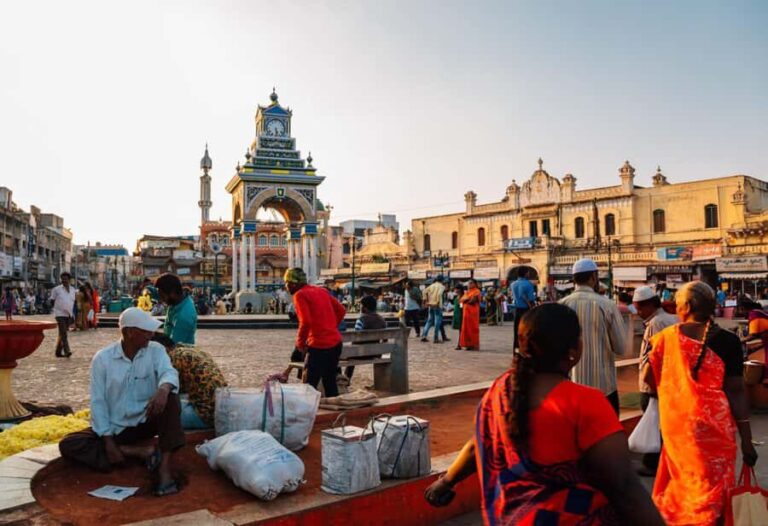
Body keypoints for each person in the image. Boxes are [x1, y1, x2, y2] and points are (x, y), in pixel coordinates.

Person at [425, 303, 664, 526]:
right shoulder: (586, 402)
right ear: (575, 349)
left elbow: (478, 445)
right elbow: (624, 488)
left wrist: (446, 481)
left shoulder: (500, 389)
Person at [644, 281, 757, 525]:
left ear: (686, 306)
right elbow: (736, 391)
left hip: (678, 431)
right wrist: (747, 441)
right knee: (713, 497)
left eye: (676, 303)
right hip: (716, 433)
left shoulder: (664, 339)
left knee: (681, 492)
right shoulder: (728, 341)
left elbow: (648, 379)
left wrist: (676, 391)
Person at [58, 308, 184, 497]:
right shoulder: (103, 359)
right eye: (146, 331)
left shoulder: (156, 350)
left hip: (147, 419)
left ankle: (164, 469)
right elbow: (98, 402)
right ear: (129, 332)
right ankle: (135, 452)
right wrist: (109, 442)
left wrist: (163, 389)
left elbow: (169, 372)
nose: (151, 335)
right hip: (117, 428)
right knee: (69, 444)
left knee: (172, 399)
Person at [559, 258, 627, 415]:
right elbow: (621, 347)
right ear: (593, 277)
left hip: (571, 385)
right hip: (603, 387)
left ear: (574, 279)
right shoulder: (607, 305)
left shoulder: (562, 304)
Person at [632, 285, 678, 476]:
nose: (639, 312)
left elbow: (654, 357)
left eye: (641, 308)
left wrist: (651, 384)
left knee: (656, 425)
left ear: (650, 305)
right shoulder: (669, 319)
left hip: (655, 383)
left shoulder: (657, 323)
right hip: (667, 381)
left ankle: (653, 464)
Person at [285, 267, 346, 397]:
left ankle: (307, 414)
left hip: (319, 345)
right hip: (335, 343)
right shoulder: (321, 291)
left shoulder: (300, 295)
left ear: (294, 284)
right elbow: (341, 310)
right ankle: (334, 413)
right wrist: (331, 326)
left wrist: (300, 344)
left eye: (287, 283)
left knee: (309, 386)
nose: (286, 287)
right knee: (330, 381)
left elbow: (305, 322)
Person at [151, 334, 227, 429]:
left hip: (205, 416)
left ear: (162, 349)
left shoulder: (174, 358)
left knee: (151, 416)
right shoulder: (192, 349)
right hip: (221, 409)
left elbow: (170, 389)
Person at [344, 295, 387, 380]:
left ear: (365, 307)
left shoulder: (361, 319)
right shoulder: (382, 320)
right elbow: (385, 340)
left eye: (361, 305)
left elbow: (356, 337)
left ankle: (346, 378)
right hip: (376, 353)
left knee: (348, 353)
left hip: (359, 354)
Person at [156, 273, 197, 345]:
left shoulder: (184, 316)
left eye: (162, 296)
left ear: (172, 293)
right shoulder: (175, 302)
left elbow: (172, 345)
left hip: (179, 351)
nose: (162, 300)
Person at [50, 272, 76, 357]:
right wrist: (56, 309)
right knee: (64, 333)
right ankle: (67, 351)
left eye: (66, 279)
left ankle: (58, 352)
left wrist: (73, 315)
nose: (64, 280)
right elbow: (52, 301)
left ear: (69, 280)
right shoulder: (56, 290)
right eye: (63, 279)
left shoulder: (73, 290)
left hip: (69, 314)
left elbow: (73, 302)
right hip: (59, 314)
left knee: (62, 333)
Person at [510, 267, 536, 350]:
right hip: (526, 310)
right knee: (527, 332)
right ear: (525, 274)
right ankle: (526, 349)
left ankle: (516, 350)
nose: (529, 274)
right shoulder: (528, 284)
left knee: (517, 331)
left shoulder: (513, 284)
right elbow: (531, 299)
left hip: (517, 310)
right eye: (528, 272)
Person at [421, 276, 447, 344]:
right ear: (442, 280)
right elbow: (439, 294)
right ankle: (436, 338)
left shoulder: (431, 285)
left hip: (430, 304)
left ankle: (424, 335)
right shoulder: (441, 286)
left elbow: (424, 291)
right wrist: (437, 302)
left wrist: (425, 300)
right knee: (437, 322)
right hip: (437, 305)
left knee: (429, 321)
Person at [458, 280, 481, 351]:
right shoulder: (467, 292)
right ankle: (467, 344)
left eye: (471, 283)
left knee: (473, 328)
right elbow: (461, 300)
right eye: (468, 283)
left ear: (475, 284)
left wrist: (465, 300)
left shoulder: (476, 291)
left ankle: (474, 344)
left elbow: (472, 301)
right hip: (466, 313)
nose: (469, 284)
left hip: (473, 313)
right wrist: (466, 299)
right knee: (466, 329)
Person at [451, 284, 464, 350]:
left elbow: (462, 307)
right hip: (456, 315)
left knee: (461, 331)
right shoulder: (456, 297)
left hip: (461, 316)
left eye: (457, 289)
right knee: (460, 331)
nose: (455, 290)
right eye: (455, 289)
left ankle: (460, 344)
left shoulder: (462, 297)